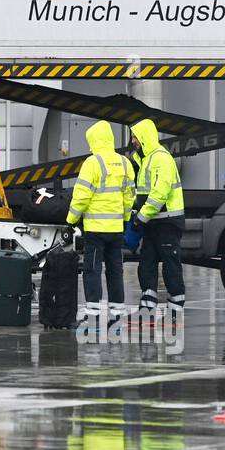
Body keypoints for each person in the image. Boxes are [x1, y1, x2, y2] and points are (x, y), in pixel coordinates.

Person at [66, 120, 135, 329]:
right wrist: (123, 219)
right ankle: (116, 314)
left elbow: (81, 196)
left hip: (95, 230)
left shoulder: (92, 163)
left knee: (92, 271)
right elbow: (129, 196)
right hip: (115, 229)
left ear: (95, 140)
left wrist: (70, 220)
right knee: (115, 271)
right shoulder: (124, 162)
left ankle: (93, 315)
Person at [126, 118, 186, 321]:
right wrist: (136, 213)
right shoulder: (145, 160)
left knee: (170, 263)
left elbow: (159, 193)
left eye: (135, 136)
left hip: (167, 221)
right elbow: (142, 193)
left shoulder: (161, 158)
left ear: (144, 137)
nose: (133, 140)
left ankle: (176, 308)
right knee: (147, 263)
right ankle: (147, 307)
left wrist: (140, 218)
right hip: (154, 220)